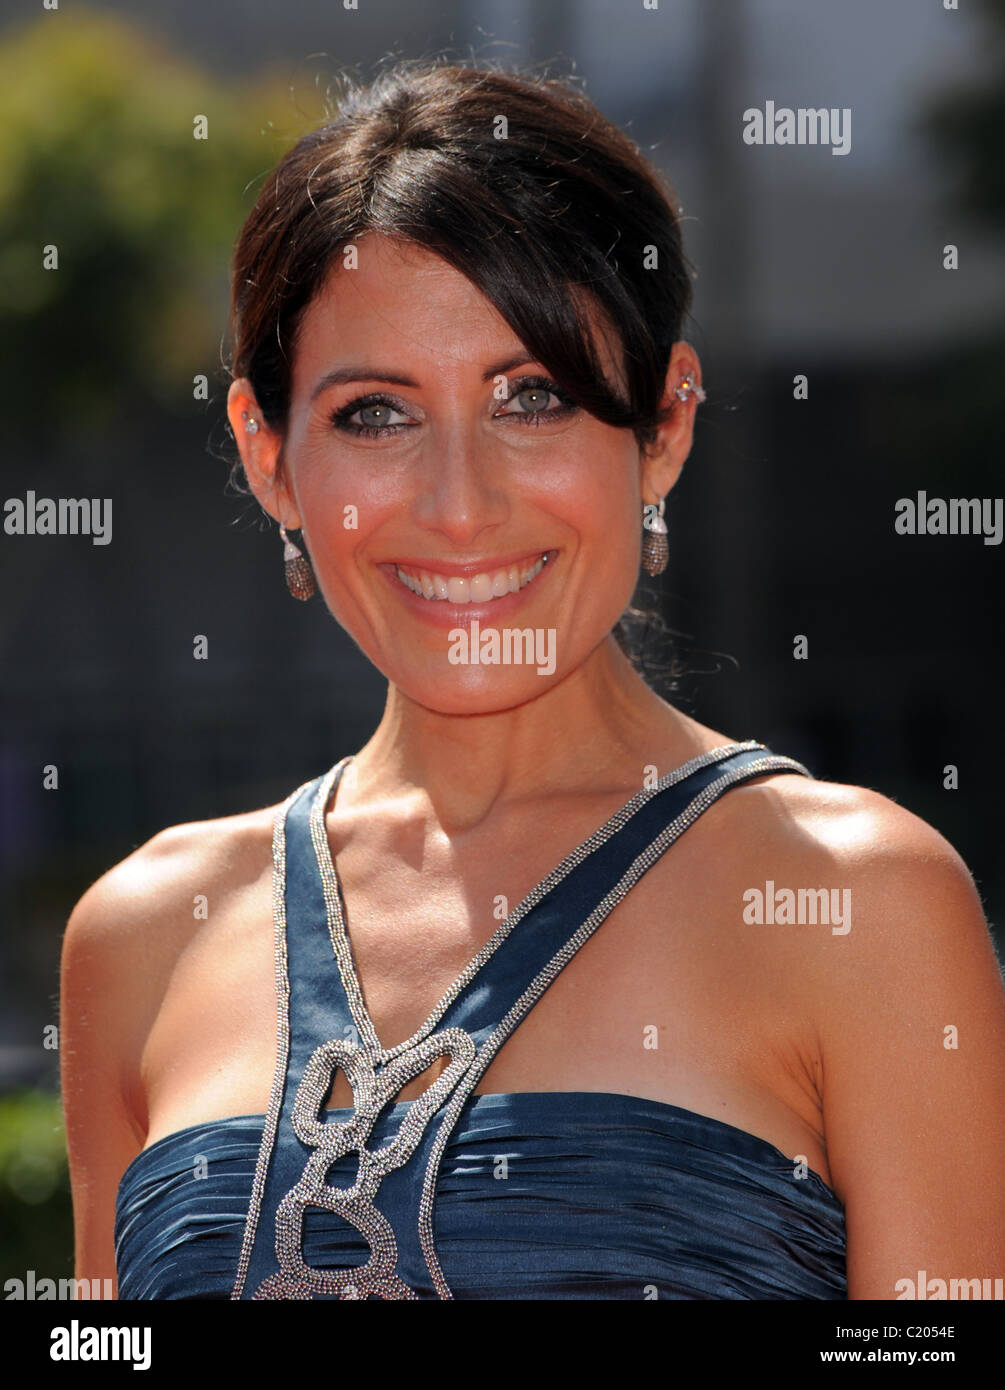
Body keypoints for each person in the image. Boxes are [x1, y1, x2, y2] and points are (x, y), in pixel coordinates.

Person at [61, 59, 1005, 1301]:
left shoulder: (856, 903)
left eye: (534, 397)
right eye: (374, 417)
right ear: (269, 455)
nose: (461, 507)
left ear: (663, 426)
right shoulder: (142, 936)